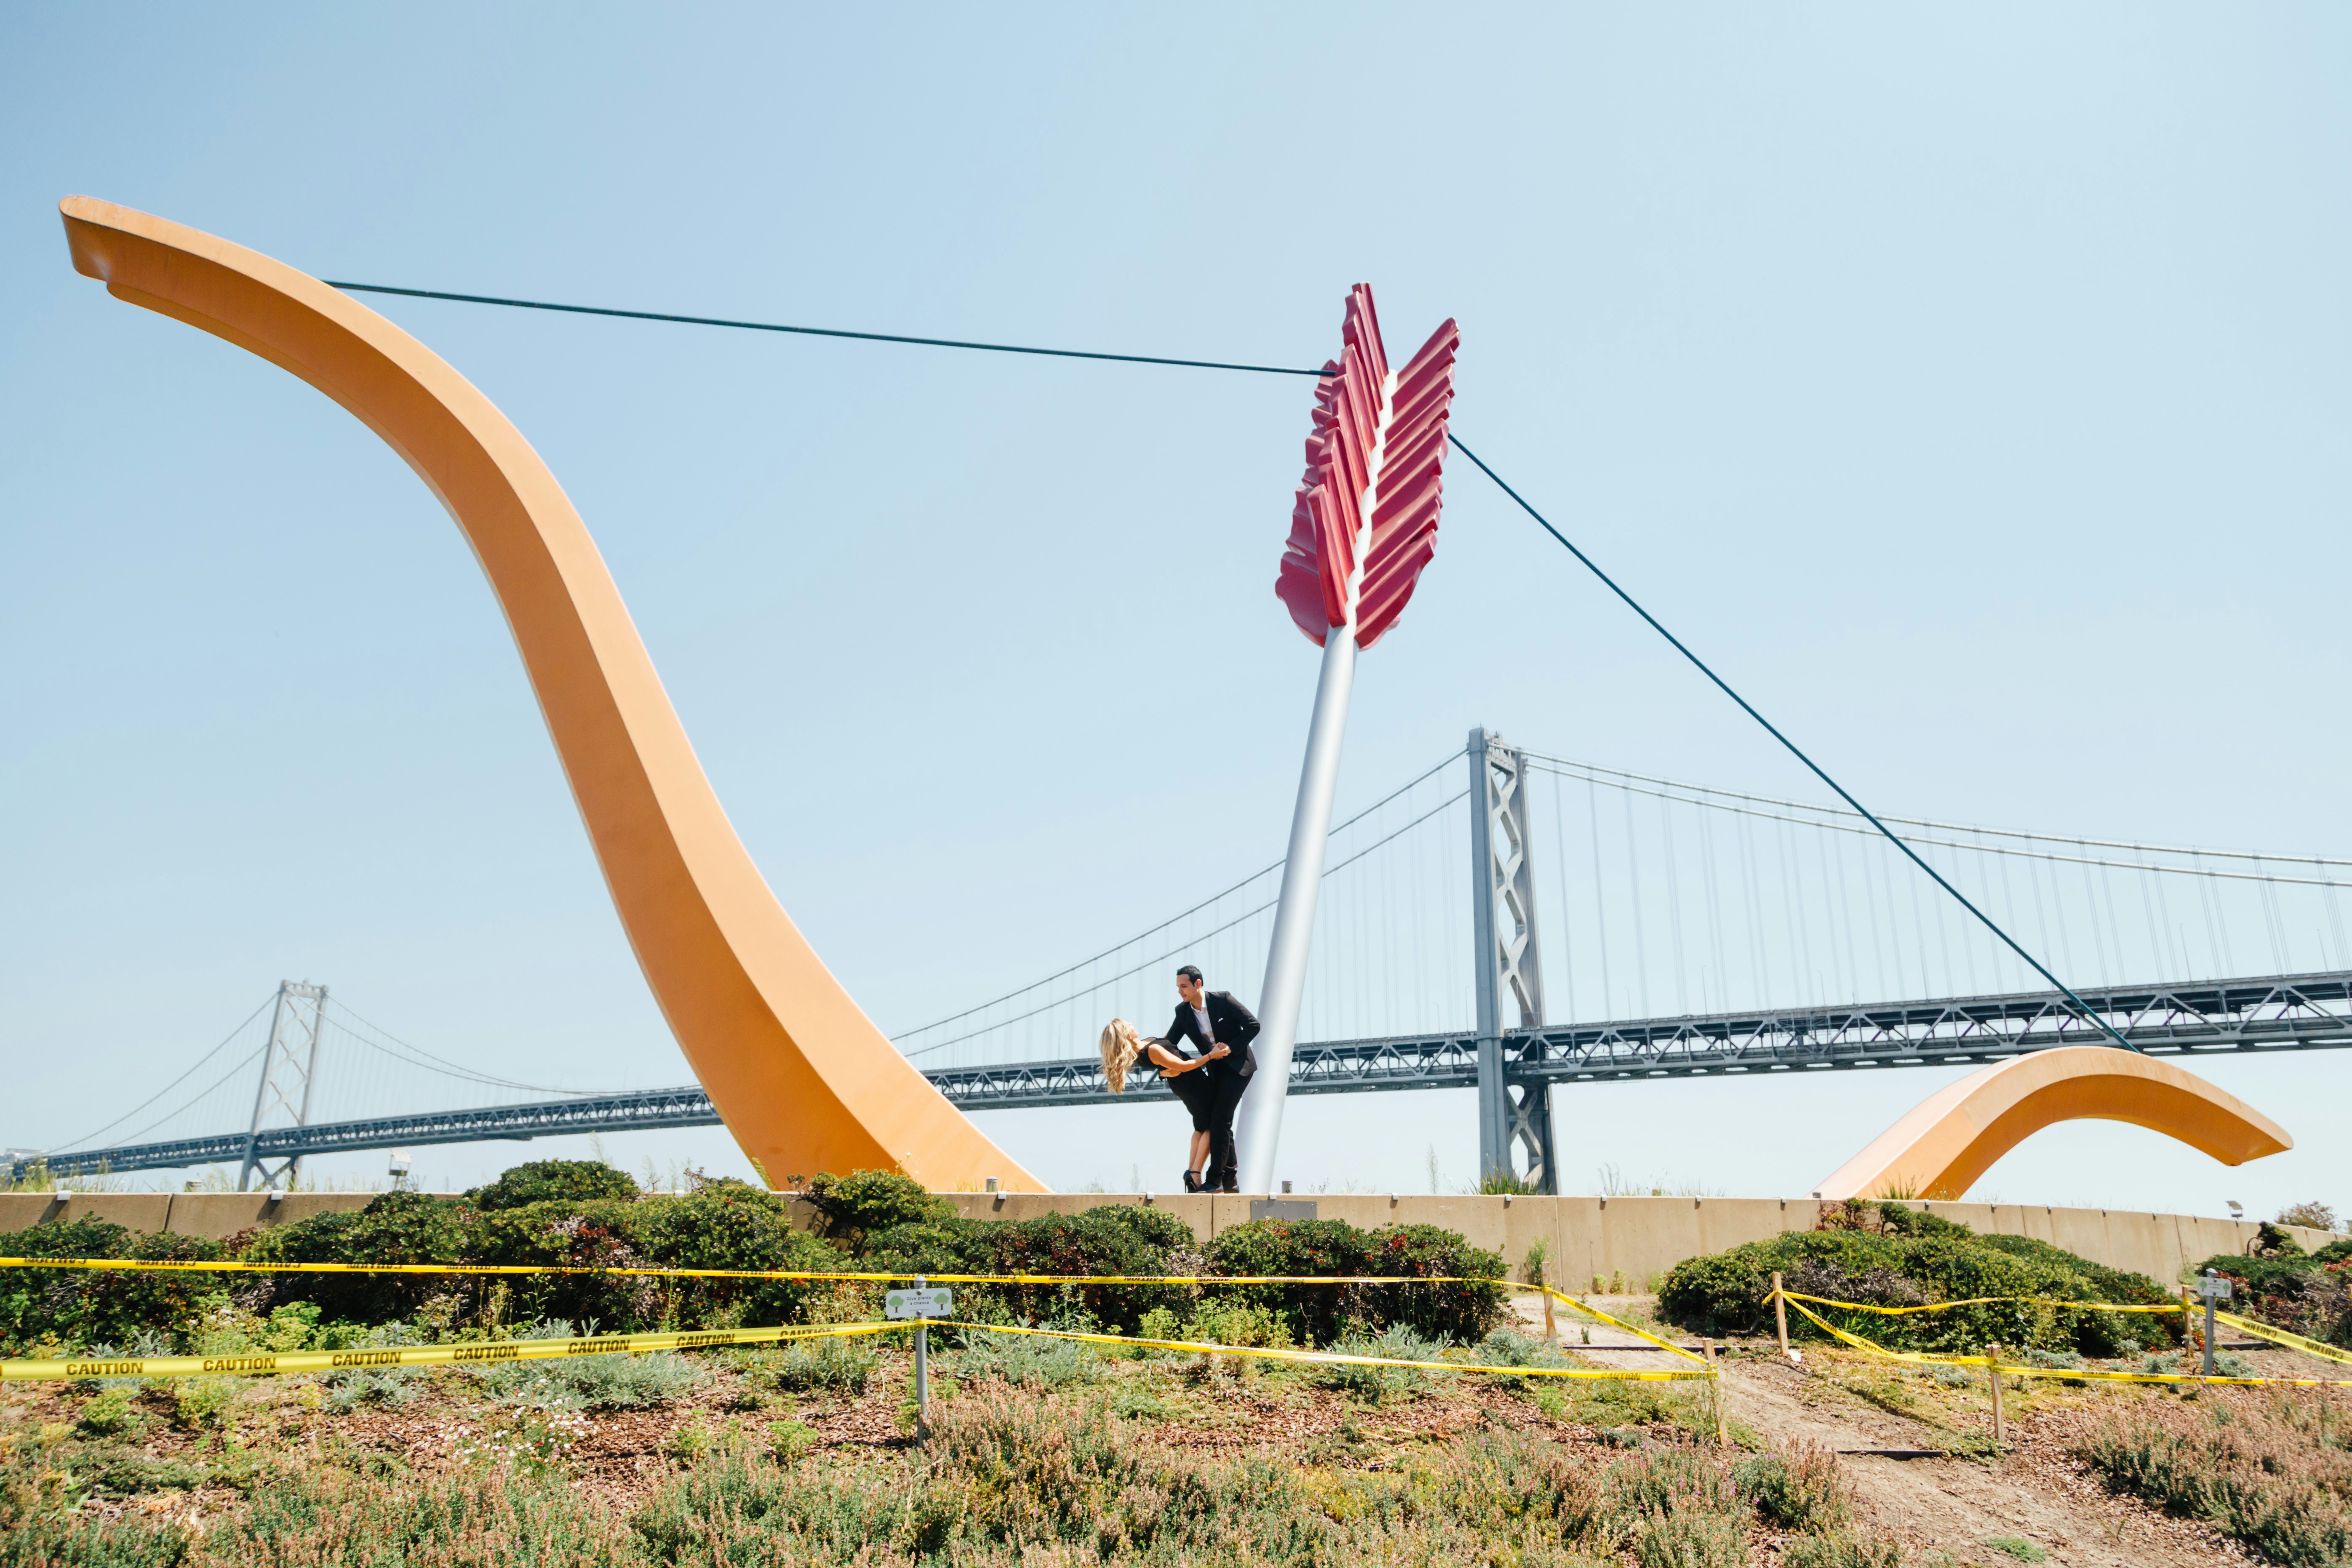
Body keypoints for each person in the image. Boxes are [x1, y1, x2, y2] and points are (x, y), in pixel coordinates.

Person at [1157, 965, 1258, 1193]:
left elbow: (1254, 1025)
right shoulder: (1183, 1012)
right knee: (1220, 1122)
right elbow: (1169, 1044)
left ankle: (1216, 1180)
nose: (1180, 991)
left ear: (1198, 984)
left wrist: (1231, 1048)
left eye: (1184, 986)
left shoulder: (1223, 1000)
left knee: (1220, 1120)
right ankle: (1231, 1181)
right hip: (1215, 1070)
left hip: (1239, 1067)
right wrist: (1162, 1067)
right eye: (1178, 987)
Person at [1098, 1017, 1226, 1191]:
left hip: (1185, 1085)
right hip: (1193, 1084)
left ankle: (1192, 1173)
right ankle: (1195, 1173)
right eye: (1127, 1025)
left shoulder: (1143, 1048)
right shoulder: (1152, 1050)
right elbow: (1184, 1066)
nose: (1131, 1024)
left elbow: (1166, 1048)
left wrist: (1183, 1015)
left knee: (1201, 1127)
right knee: (1214, 1127)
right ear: (1125, 1035)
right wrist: (1212, 1055)